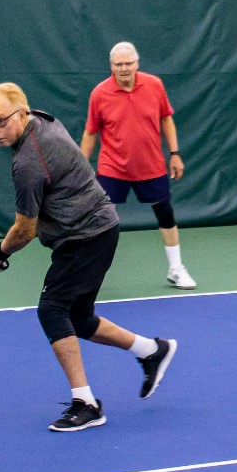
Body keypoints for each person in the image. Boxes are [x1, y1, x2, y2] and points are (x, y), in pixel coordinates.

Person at [0, 82, 178, 432]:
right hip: (93, 229)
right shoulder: (38, 118)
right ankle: (151, 350)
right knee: (80, 319)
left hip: (87, 236)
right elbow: (1, 118)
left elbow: (25, 229)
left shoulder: (29, 163)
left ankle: (86, 403)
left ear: (21, 114)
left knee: (52, 309)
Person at [80, 42, 195, 290]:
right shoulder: (99, 93)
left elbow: (166, 119)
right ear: (111, 66)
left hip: (151, 166)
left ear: (137, 63)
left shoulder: (154, 85)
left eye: (128, 63)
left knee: (165, 213)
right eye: (119, 64)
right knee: (100, 219)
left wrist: (175, 153)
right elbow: (91, 133)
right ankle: (91, 273)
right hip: (112, 168)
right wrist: (80, 166)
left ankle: (176, 269)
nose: (124, 68)